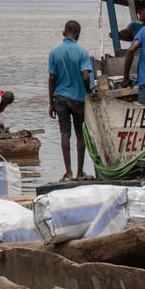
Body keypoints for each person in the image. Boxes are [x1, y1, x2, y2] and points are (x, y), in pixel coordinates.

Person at [48, 20, 94, 181]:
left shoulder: (54, 52)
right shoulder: (82, 52)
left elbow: (52, 78)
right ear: (78, 34)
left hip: (60, 97)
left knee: (64, 133)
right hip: (79, 99)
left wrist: (51, 102)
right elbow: (86, 76)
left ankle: (68, 173)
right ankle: (80, 172)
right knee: (80, 135)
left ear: (64, 32)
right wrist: (88, 93)